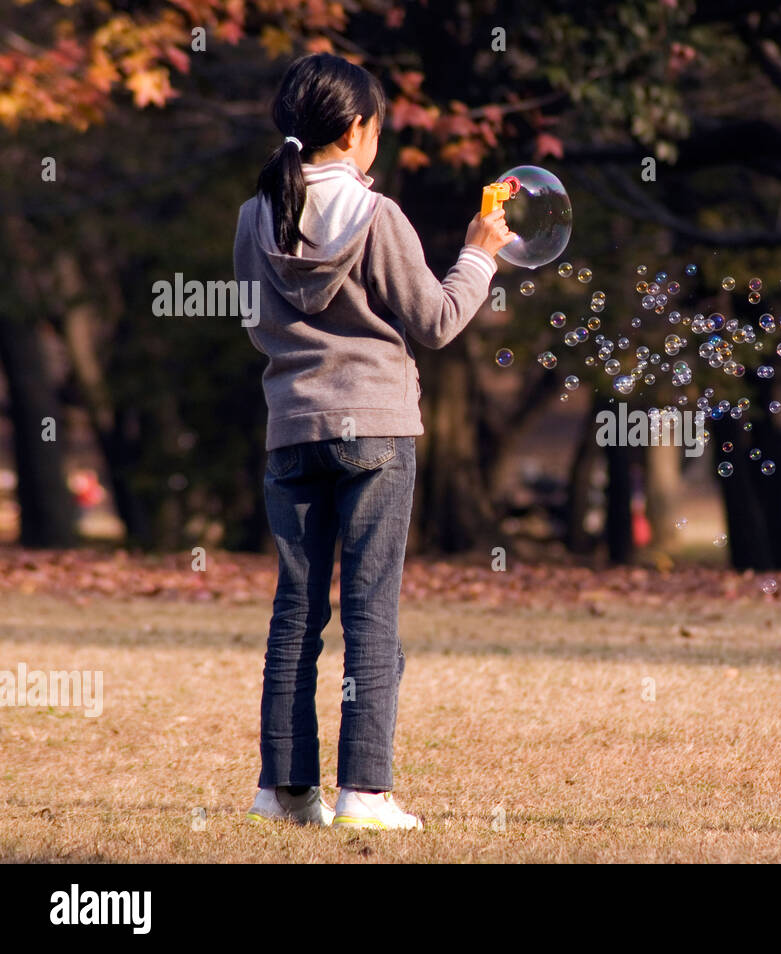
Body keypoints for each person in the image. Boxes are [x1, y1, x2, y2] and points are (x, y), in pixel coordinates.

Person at [235, 53, 515, 830]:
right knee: (370, 613)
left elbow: (257, 322)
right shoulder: (377, 216)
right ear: (359, 130)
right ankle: (364, 792)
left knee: (295, 613)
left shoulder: (254, 215)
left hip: (292, 429)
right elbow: (434, 321)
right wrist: (479, 254)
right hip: (378, 432)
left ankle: (285, 794)